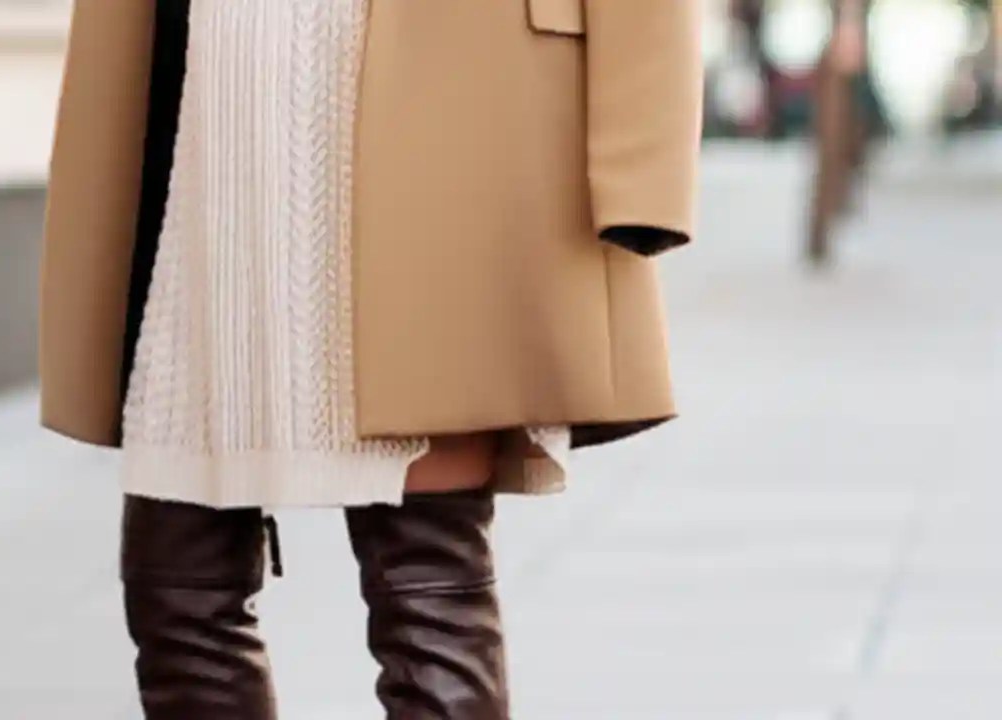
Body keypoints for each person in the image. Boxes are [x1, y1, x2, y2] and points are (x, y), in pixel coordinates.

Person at [38, 0, 702, 717]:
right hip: (212, 131)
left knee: (428, 593)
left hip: (453, 114)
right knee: (177, 593)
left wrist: (644, 162)